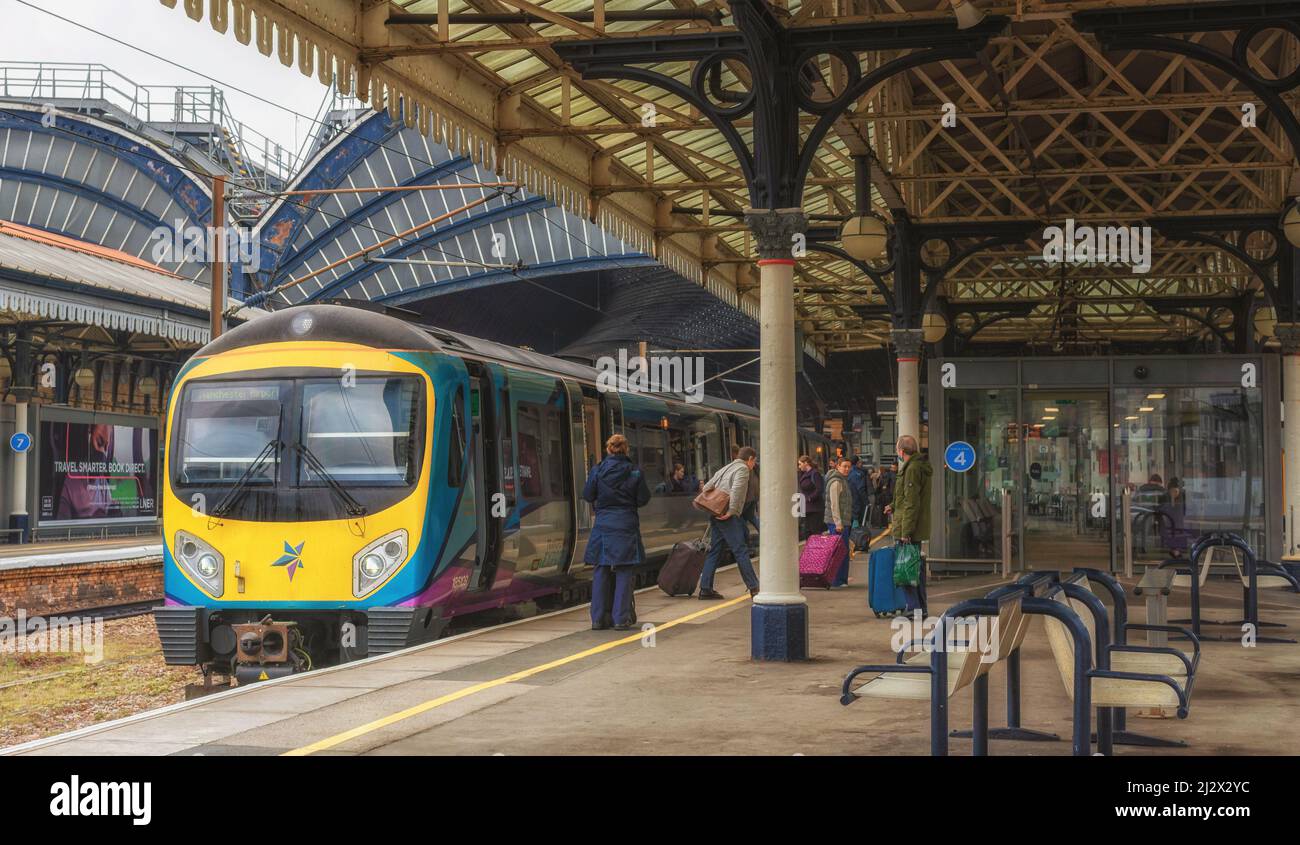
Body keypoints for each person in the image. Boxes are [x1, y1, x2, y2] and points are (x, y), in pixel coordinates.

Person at [582, 434, 651, 630]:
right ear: (625, 449)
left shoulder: (597, 470)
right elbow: (643, 499)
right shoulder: (635, 472)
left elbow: (587, 495)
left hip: (603, 525)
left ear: (608, 449)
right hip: (626, 524)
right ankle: (621, 618)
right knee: (624, 570)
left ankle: (598, 619)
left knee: (601, 569)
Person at [698, 446, 760, 600]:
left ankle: (705, 589)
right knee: (740, 550)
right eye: (754, 462)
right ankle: (754, 588)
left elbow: (706, 487)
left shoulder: (727, 467)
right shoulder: (743, 469)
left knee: (715, 550)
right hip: (726, 515)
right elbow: (738, 490)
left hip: (715, 512)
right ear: (750, 459)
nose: (754, 465)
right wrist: (732, 511)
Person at [885, 435, 932, 614]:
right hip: (914, 525)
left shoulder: (912, 468)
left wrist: (906, 531)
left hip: (909, 528)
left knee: (907, 568)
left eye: (897, 449)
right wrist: (893, 506)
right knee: (915, 568)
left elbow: (912, 503)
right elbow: (906, 497)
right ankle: (921, 608)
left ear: (901, 451)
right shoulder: (918, 466)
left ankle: (913, 608)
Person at [824, 457, 855, 587]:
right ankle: (837, 580)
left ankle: (841, 579)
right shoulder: (836, 482)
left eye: (849, 466)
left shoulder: (843, 480)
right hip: (837, 522)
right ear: (838, 467)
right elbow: (834, 504)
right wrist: (838, 523)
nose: (847, 469)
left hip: (843, 522)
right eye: (844, 466)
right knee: (839, 551)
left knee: (843, 550)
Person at [797, 455, 824, 540]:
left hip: (814, 508)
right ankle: (810, 552)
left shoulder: (815, 474)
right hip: (806, 507)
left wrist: (810, 498)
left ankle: (816, 552)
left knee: (814, 532)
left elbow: (820, 488)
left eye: (800, 464)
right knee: (807, 531)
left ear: (806, 463)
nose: (799, 466)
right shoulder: (804, 474)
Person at [847, 456, 869, 530]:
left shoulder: (846, 472)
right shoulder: (859, 474)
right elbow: (861, 489)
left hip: (847, 502)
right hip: (857, 502)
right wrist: (866, 501)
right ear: (857, 463)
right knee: (858, 525)